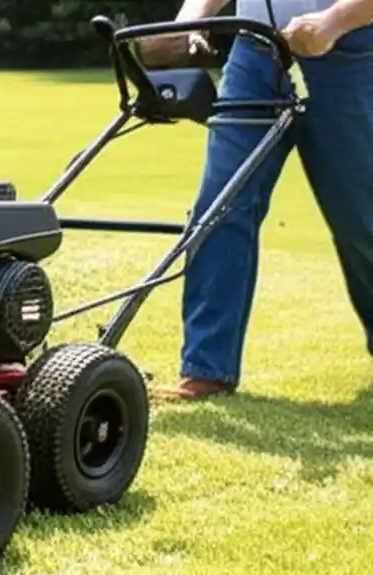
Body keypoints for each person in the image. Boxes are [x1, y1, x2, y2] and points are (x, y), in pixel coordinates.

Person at [138, 0, 373, 400]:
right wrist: (190, 21)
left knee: (361, 221)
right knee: (219, 208)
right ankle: (206, 370)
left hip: (348, 53)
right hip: (254, 55)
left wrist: (336, 20)